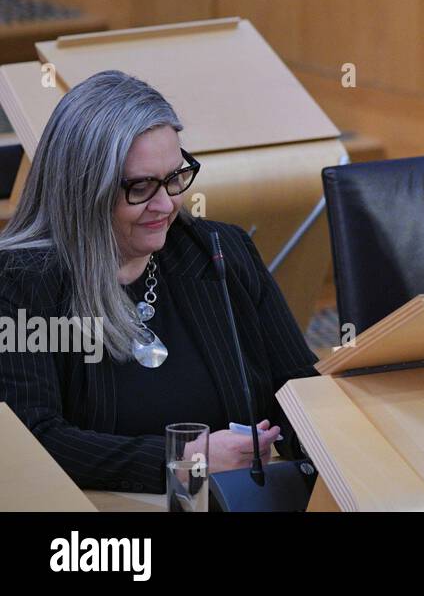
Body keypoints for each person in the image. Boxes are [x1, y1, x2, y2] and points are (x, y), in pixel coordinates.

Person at [0, 70, 320, 494]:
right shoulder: (21, 283)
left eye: (174, 178)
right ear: (84, 189)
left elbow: (300, 390)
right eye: (141, 187)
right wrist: (181, 460)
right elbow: (33, 441)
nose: (166, 204)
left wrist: (319, 447)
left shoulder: (220, 252)